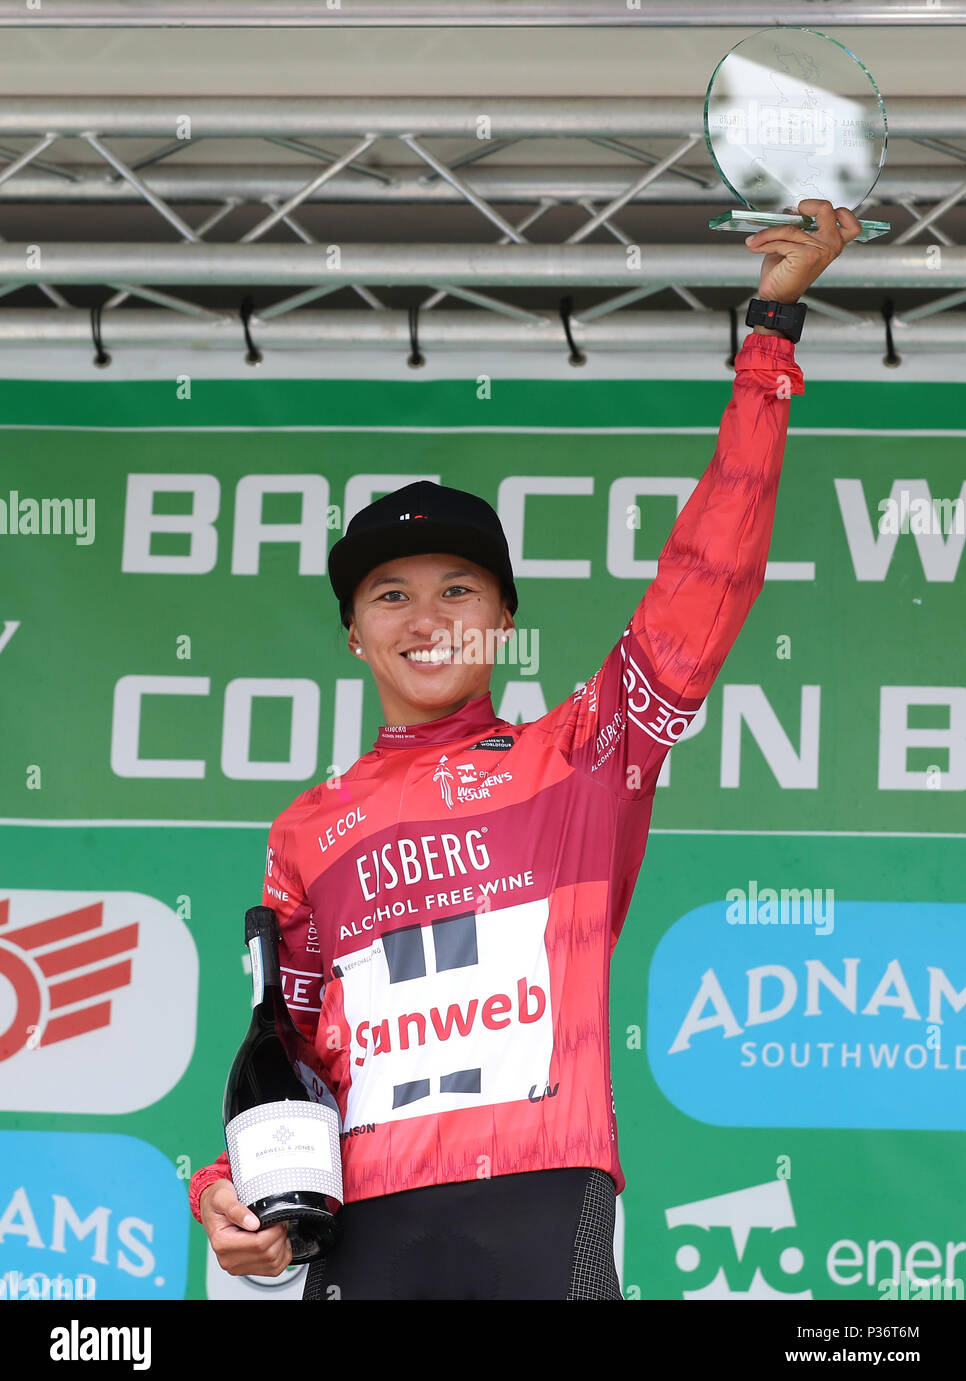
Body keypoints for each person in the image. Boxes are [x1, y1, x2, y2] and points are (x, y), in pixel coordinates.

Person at [190, 201, 862, 1299]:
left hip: (539, 1198)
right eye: (390, 595)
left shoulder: (583, 754)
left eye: (458, 589)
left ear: (501, 620)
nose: (425, 616)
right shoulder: (309, 828)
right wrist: (225, 1187)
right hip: (368, 1225)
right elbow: (293, 1052)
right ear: (353, 634)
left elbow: (707, 581)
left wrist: (768, 337)